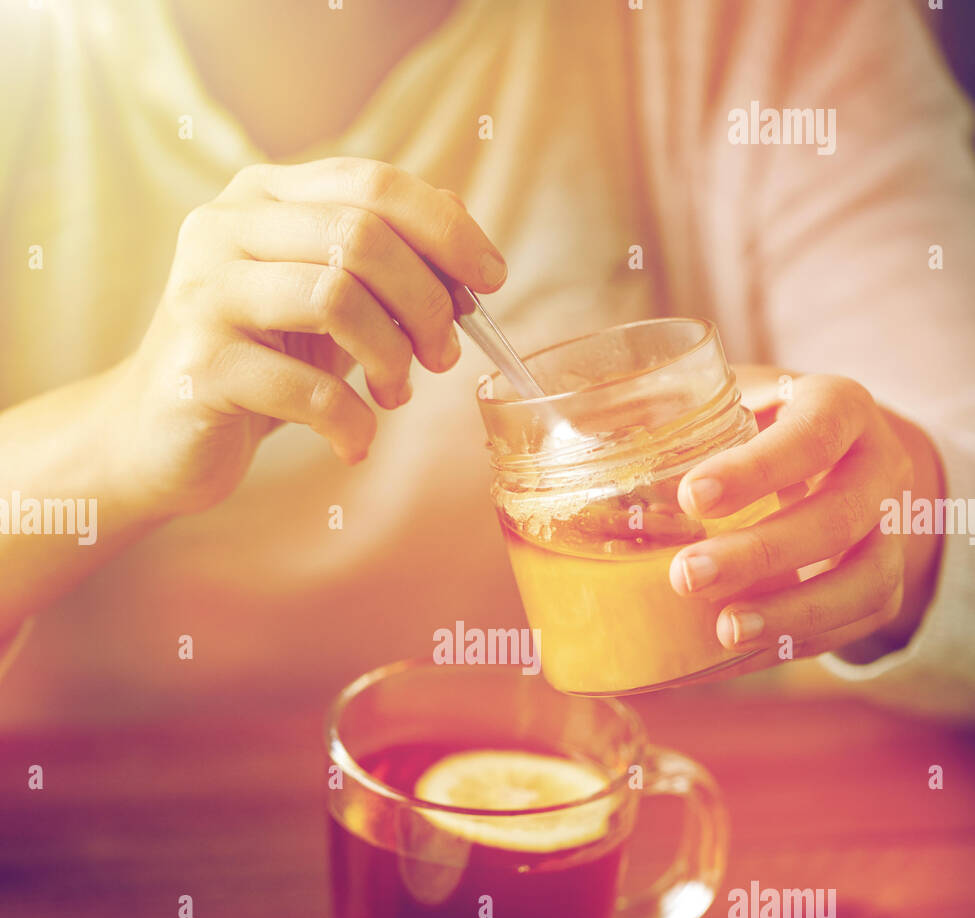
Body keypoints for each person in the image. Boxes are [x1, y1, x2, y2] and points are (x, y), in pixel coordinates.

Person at [0, 0, 972, 724]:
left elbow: (944, 469)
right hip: (117, 903)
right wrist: (115, 438)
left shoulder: (753, 24)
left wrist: (911, 513)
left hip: (609, 859)